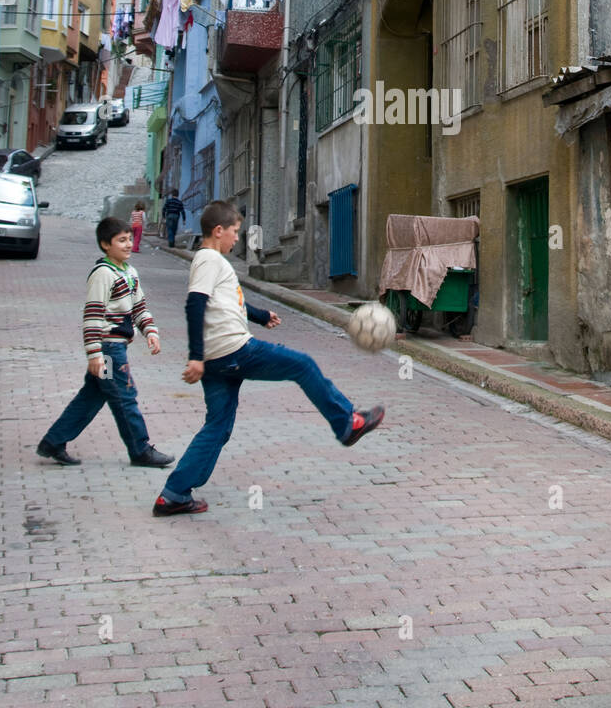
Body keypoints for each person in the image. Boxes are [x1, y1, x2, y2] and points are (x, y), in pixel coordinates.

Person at [153, 199, 385, 516]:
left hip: (218, 360)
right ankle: (346, 423)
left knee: (218, 426)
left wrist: (261, 316)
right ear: (218, 231)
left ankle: (174, 494)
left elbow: (229, 304)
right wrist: (195, 356)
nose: (238, 238)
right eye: (235, 232)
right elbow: (195, 304)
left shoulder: (212, 262)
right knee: (302, 365)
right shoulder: (209, 259)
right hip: (233, 351)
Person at [37, 217, 174, 468]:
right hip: (109, 351)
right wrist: (95, 355)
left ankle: (53, 441)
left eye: (129, 239)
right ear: (105, 244)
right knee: (125, 396)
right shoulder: (102, 274)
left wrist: (150, 331)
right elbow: (93, 316)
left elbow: (139, 308)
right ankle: (140, 449)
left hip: (118, 346)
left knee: (91, 397)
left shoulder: (130, 273)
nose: (127, 244)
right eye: (121, 240)